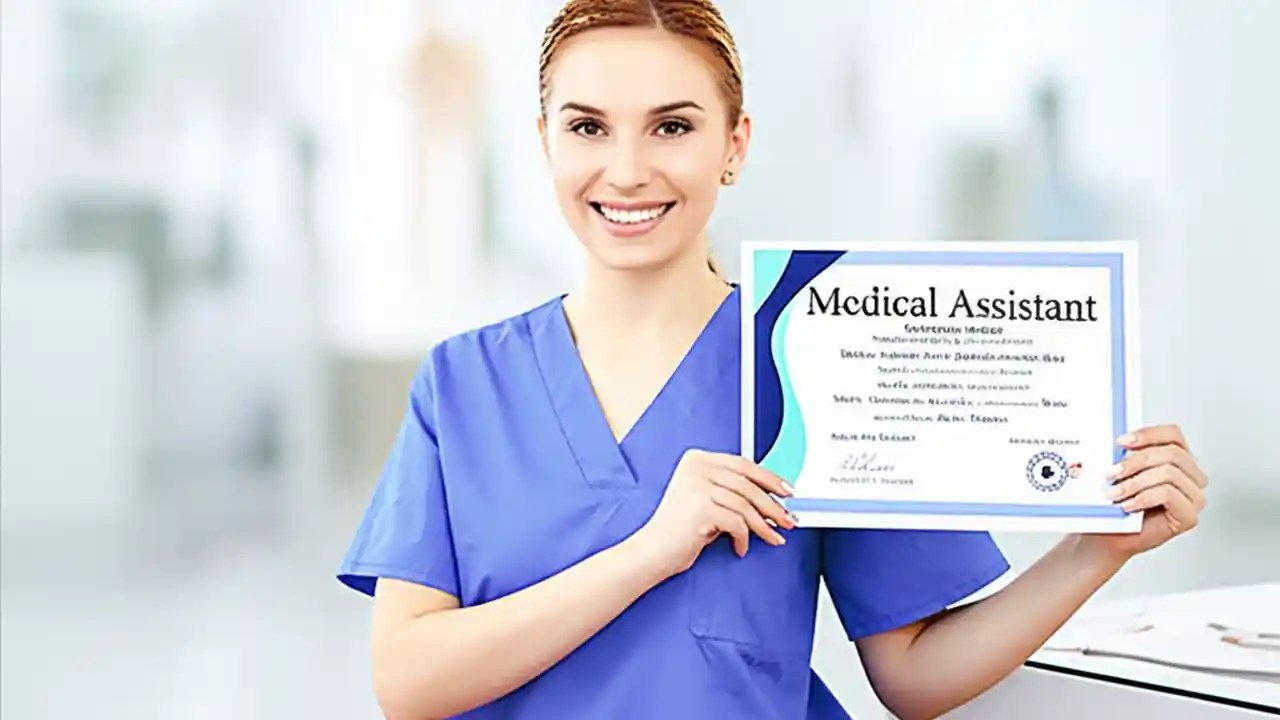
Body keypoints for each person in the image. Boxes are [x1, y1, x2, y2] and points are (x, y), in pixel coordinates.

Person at [335, 2, 1210, 718]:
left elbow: (912, 676)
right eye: (589, 127)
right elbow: (409, 681)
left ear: (735, 145)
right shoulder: (461, 385)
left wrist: (1097, 550)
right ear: (546, 143)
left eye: (672, 126)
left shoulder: (823, 359)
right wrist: (651, 552)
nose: (628, 168)